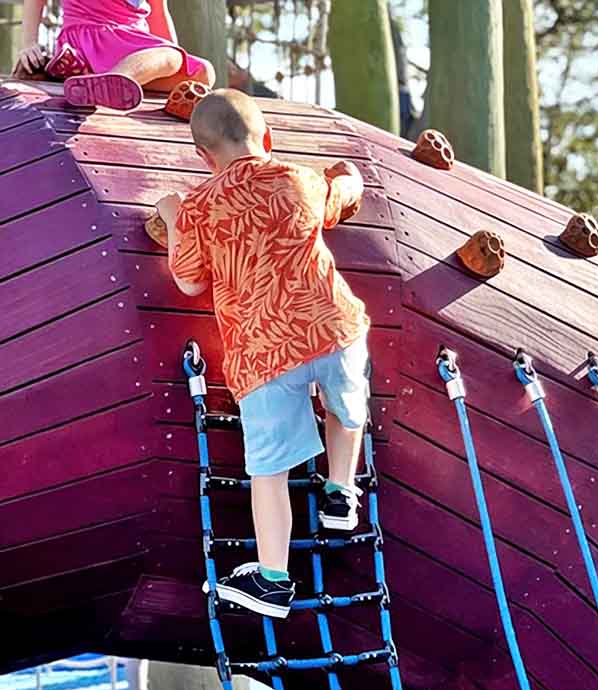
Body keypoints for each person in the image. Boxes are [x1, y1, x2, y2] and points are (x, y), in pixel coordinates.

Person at [155, 89, 370, 620]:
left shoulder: (203, 208)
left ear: (204, 158)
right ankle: (340, 490)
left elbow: (186, 281)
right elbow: (342, 192)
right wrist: (350, 176)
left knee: (269, 473)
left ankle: (273, 580)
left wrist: (174, 216)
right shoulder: (298, 179)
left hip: (263, 351)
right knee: (347, 408)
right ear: (267, 136)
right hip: (331, 326)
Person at [15, 0, 215, 112]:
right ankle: (116, 80)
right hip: (95, 35)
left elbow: (158, 15)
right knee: (175, 57)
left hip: (127, 48)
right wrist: (29, 43)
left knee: (201, 73)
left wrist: (172, 62)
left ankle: (88, 75)